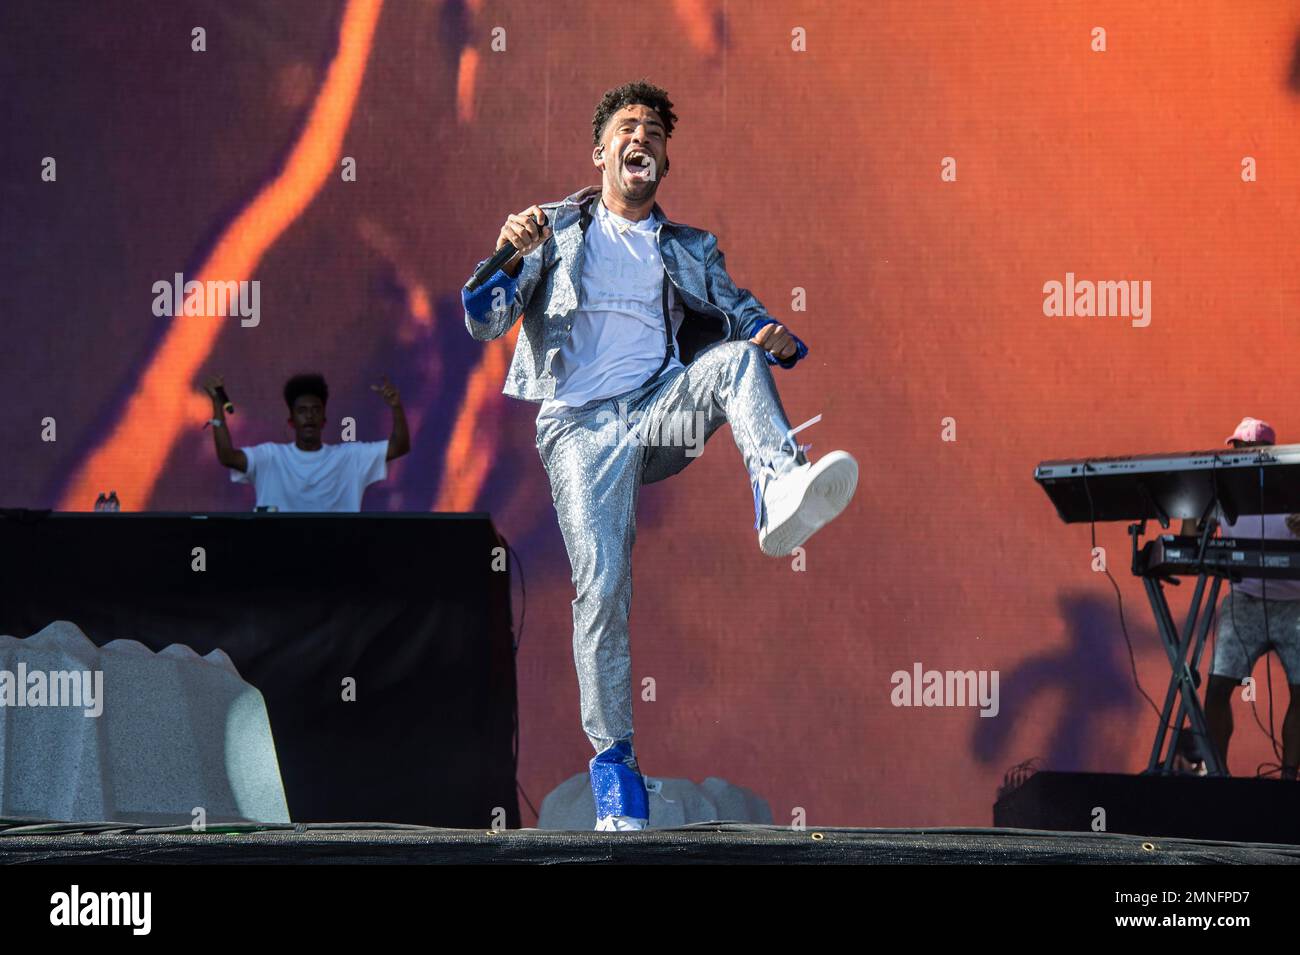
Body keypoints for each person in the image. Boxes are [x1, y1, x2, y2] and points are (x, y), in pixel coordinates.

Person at [461, 81, 859, 830]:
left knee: (738, 360)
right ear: (601, 153)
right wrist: (505, 255)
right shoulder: (555, 229)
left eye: (652, 131)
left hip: (654, 415)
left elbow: (740, 312)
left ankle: (778, 491)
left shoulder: (688, 247)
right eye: (626, 128)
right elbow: (484, 321)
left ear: (664, 159)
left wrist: (777, 336)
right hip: (579, 428)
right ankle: (614, 768)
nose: (639, 137)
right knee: (604, 587)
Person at [1179, 417, 1300, 780]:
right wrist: (1193, 511)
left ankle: (1289, 778)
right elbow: (1189, 539)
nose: (1238, 455)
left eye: (1244, 449)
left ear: (1264, 452)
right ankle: (1218, 775)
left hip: (1295, 604)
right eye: (1234, 449)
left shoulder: (1292, 484)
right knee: (1217, 687)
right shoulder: (1223, 491)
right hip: (1244, 599)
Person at [204, 372, 410, 512]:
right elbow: (227, 456)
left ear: (324, 420)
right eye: (302, 411)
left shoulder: (348, 458)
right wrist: (216, 408)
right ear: (291, 422)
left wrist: (396, 407)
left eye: (315, 411)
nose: (309, 417)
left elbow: (399, 447)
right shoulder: (271, 457)